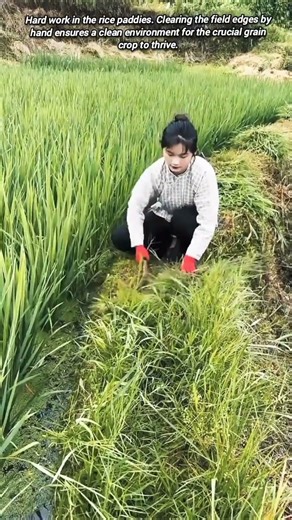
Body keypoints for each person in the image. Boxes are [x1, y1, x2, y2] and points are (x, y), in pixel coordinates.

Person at [111, 114, 220, 274]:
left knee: (182, 220)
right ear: (163, 149)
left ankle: (183, 248)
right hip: (164, 216)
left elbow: (207, 222)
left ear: (193, 153)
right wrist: (139, 244)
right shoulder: (155, 171)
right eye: (170, 154)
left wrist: (192, 257)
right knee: (121, 237)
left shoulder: (203, 173)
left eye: (183, 156)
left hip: (188, 220)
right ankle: (165, 243)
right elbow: (135, 206)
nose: (175, 162)